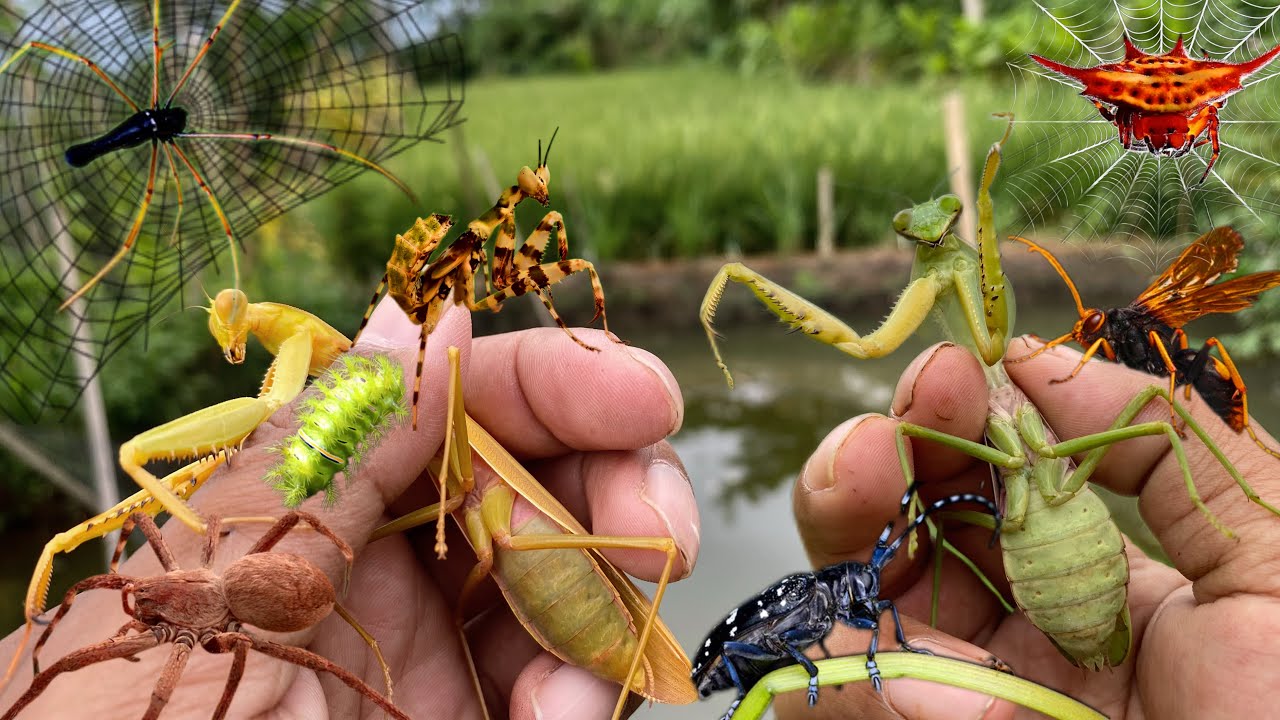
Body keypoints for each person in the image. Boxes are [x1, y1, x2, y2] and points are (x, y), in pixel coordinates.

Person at [0, 297, 699, 720]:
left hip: (497, 515)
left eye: (238, 321)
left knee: (649, 544)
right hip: (478, 530)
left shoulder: (369, 372)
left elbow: (276, 415)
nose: (233, 337)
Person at [784, 339, 1280, 719]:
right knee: (928, 507)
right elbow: (909, 432)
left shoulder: (1028, 370)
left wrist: (1240, 503)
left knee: (1157, 417)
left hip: (1047, 517)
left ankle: (1250, 495)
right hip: (1042, 514)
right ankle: (921, 648)